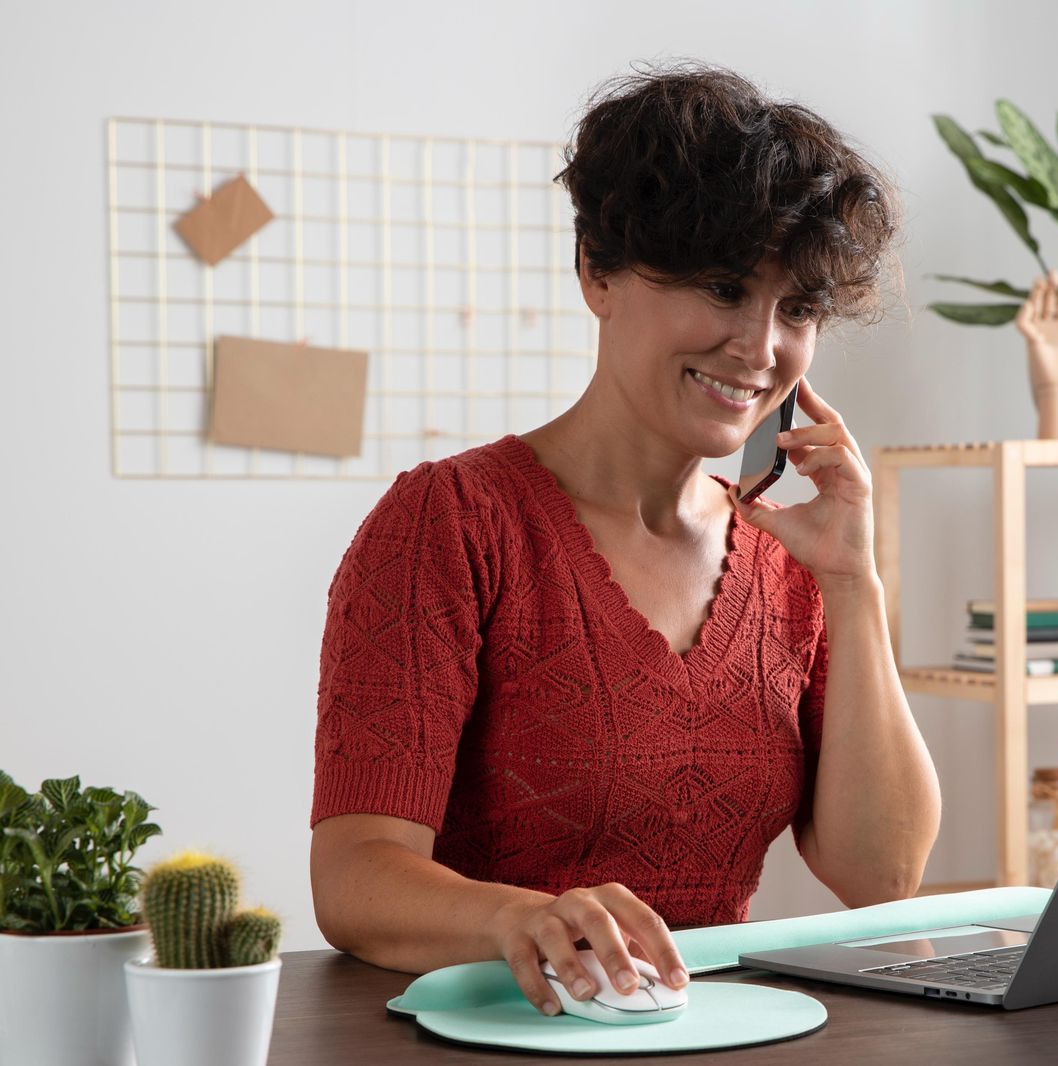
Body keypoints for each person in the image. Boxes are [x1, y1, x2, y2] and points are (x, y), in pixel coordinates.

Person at [307, 61, 941, 1019]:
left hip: (722, 1033)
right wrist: (520, 919)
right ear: (597, 271)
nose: (761, 348)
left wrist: (856, 582)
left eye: (798, 309)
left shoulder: (793, 557)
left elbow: (882, 877)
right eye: (725, 287)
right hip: (499, 1036)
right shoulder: (451, 524)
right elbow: (354, 880)